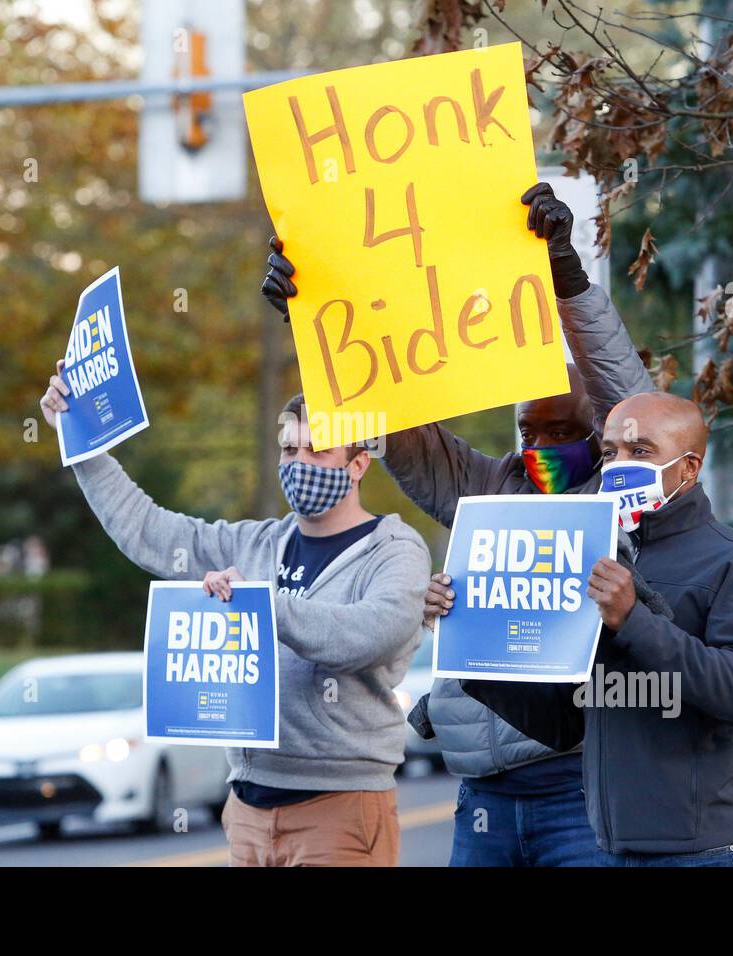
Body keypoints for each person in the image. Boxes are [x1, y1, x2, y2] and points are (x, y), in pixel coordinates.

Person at [260, 182, 658, 866]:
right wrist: (314, 318)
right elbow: (390, 417)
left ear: (600, 433)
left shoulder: (620, 496)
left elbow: (633, 398)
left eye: (563, 429)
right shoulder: (486, 484)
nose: (542, 444)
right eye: (531, 429)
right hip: (480, 794)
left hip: (580, 785)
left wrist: (568, 279)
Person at [38, 380, 430, 866]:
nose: (298, 462)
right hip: (246, 808)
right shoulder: (254, 543)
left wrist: (260, 604)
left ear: (357, 464)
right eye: (289, 448)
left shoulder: (395, 550)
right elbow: (150, 532)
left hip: (339, 807)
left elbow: (368, 635)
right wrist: (82, 445)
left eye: (318, 449)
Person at [463, 391, 733, 866]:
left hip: (715, 850)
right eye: (610, 452)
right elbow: (564, 722)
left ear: (689, 467)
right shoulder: (598, 557)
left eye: (640, 451)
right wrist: (468, 649)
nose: (619, 464)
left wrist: (635, 621)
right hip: (613, 850)